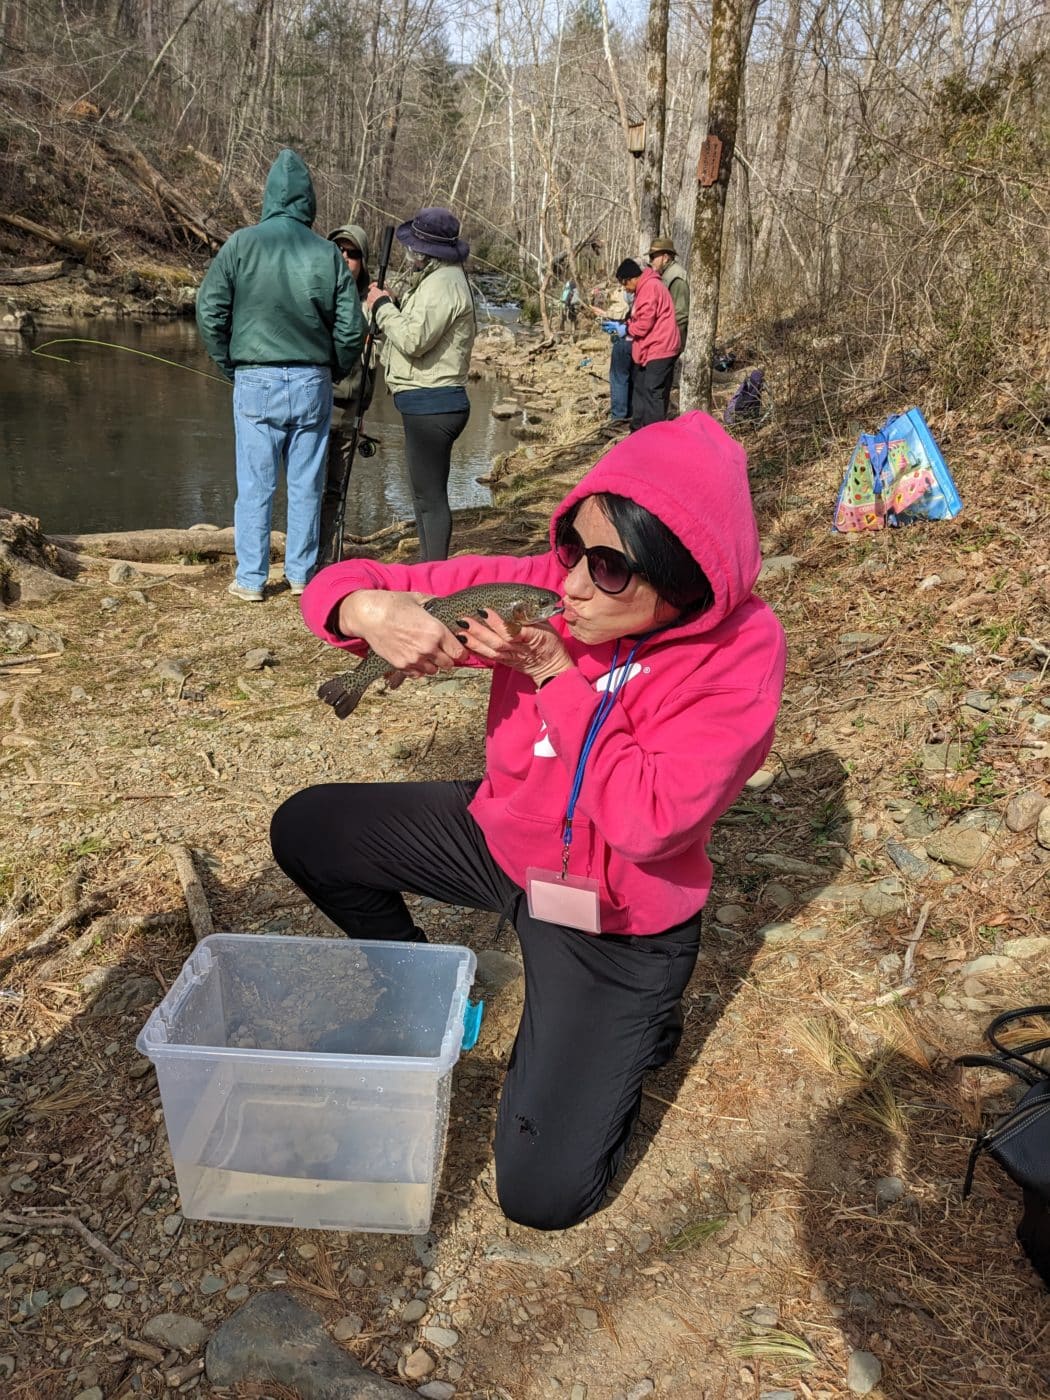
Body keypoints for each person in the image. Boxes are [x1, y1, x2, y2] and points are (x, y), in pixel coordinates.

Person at [270, 411, 786, 1231]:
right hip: (504, 845)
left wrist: (556, 677)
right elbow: (341, 587)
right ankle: (423, 983)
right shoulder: (543, 587)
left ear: (684, 581)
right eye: (573, 550)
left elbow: (650, 821)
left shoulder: (740, 655)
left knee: (541, 1196)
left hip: (616, 917)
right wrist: (370, 612)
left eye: (609, 570)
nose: (573, 584)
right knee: (308, 828)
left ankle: (641, 1019)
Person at [196, 148, 365, 601]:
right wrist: (333, 367)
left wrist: (230, 363)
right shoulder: (327, 254)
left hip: (256, 379)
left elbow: (209, 311)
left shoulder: (241, 244)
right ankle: (301, 575)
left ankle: (251, 579)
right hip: (312, 380)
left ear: (269, 196)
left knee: (255, 483)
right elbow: (352, 328)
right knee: (307, 481)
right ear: (308, 201)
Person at [363, 207, 475, 562]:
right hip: (429, 403)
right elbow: (416, 332)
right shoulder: (437, 280)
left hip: (434, 404)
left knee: (430, 498)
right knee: (424, 495)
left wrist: (381, 306)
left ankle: (435, 571)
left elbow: (413, 339)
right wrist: (393, 306)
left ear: (427, 252)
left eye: (413, 248)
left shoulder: (443, 283)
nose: (408, 254)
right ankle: (430, 564)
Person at [318, 222, 375, 560]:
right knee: (308, 486)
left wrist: (362, 414)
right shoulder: (314, 293)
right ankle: (304, 555)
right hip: (315, 406)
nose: (344, 257)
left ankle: (328, 552)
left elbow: (373, 371)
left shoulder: (373, 304)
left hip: (351, 412)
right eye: (338, 250)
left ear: (363, 262)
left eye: (352, 254)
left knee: (336, 489)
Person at [614, 257, 680, 431]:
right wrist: (624, 325)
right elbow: (639, 318)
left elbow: (644, 324)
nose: (625, 289)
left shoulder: (650, 287)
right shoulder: (644, 288)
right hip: (650, 348)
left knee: (652, 392)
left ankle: (654, 435)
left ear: (632, 278)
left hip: (661, 347)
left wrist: (626, 330)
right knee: (640, 388)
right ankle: (638, 431)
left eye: (625, 284)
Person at [647, 237, 690, 351]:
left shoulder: (676, 277)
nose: (651, 261)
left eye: (653, 257)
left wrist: (665, 342)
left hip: (672, 343)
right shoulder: (665, 274)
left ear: (665, 258)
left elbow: (680, 316)